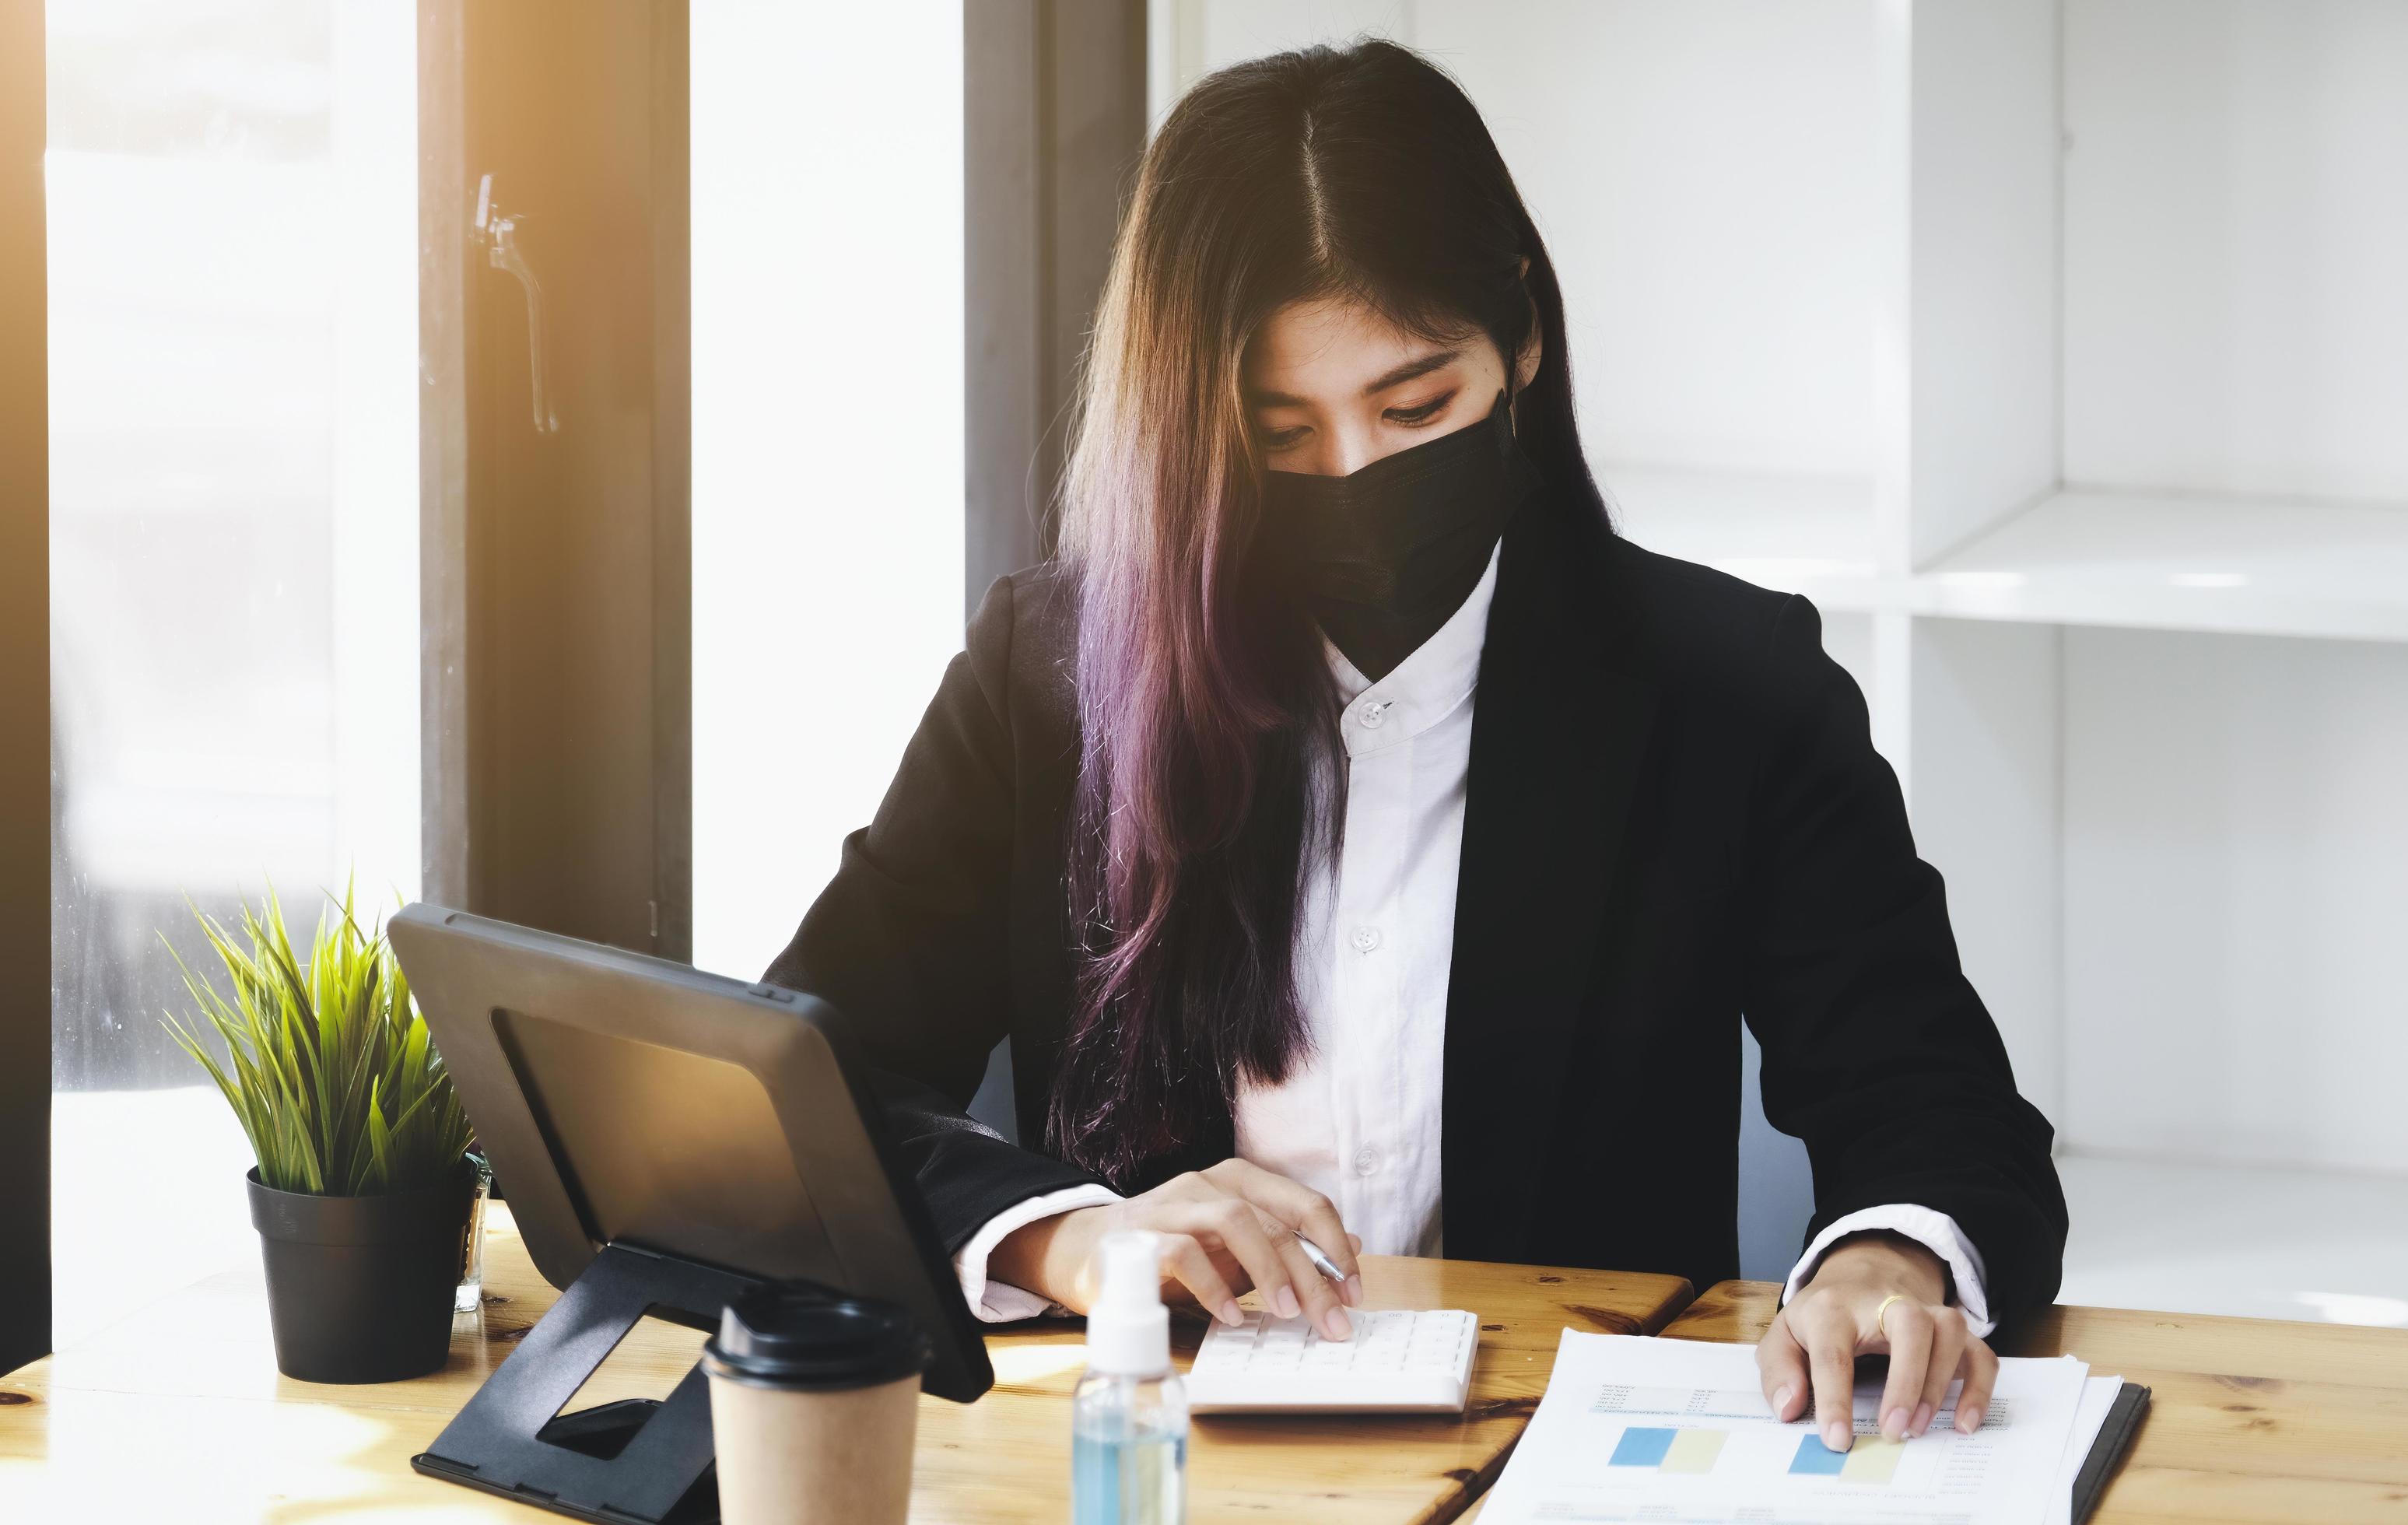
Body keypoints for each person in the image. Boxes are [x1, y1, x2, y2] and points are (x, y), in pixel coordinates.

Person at [766, 37, 2065, 1454]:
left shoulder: (1730, 690)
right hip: (1146, 1461)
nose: (1355, 479)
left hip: (1563, 1461)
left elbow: (1937, 1105)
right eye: (1280, 435)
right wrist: (1071, 1241)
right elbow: (803, 1084)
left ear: (1520, 339)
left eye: (1415, 407)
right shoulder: (1051, 674)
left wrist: (1890, 1261)